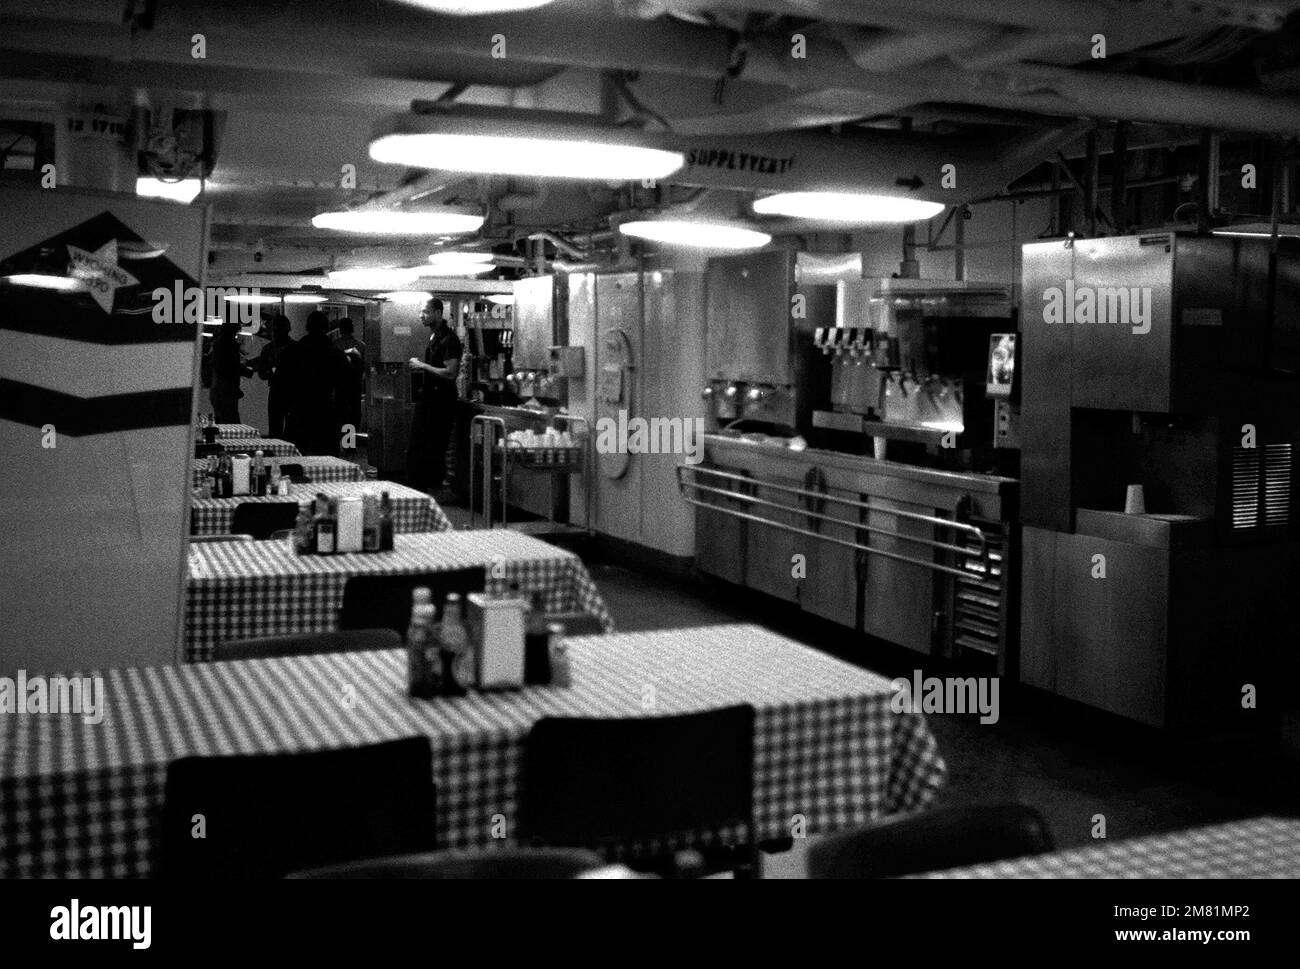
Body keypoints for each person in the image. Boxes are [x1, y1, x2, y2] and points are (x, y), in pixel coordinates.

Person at [407, 297, 462, 493]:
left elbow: (450, 372)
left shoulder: (449, 339)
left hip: (441, 402)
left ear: (438, 313)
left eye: (426, 312)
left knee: (433, 446)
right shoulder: (434, 336)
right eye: (421, 312)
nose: (421, 315)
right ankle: (418, 488)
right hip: (429, 399)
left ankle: (430, 490)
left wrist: (422, 365)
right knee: (419, 445)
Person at [280, 311, 353, 456]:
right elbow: (345, 388)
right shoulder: (336, 354)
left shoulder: (292, 351)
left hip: (298, 412)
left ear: (307, 327)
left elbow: (283, 383)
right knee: (327, 462)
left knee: (296, 461)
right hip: (325, 414)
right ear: (327, 328)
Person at [253, 314, 294, 438]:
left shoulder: (269, 349)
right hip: (291, 391)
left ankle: (277, 450)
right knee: (290, 427)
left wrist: (271, 372)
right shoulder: (295, 347)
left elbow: (261, 373)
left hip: (277, 391)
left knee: (275, 426)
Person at [210, 313, 252, 423]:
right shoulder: (229, 344)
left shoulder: (219, 343)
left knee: (224, 421)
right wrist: (245, 369)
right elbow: (229, 368)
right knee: (231, 422)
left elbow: (223, 367)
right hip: (227, 391)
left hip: (220, 390)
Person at [332, 317, 367, 438]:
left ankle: (340, 441)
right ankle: (350, 443)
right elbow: (365, 366)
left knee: (341, 414)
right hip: (355, 385)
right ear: (352, 329)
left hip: (340, 385)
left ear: (340, 329)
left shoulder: (335, 345)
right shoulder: (361, 345)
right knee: (354, 414)